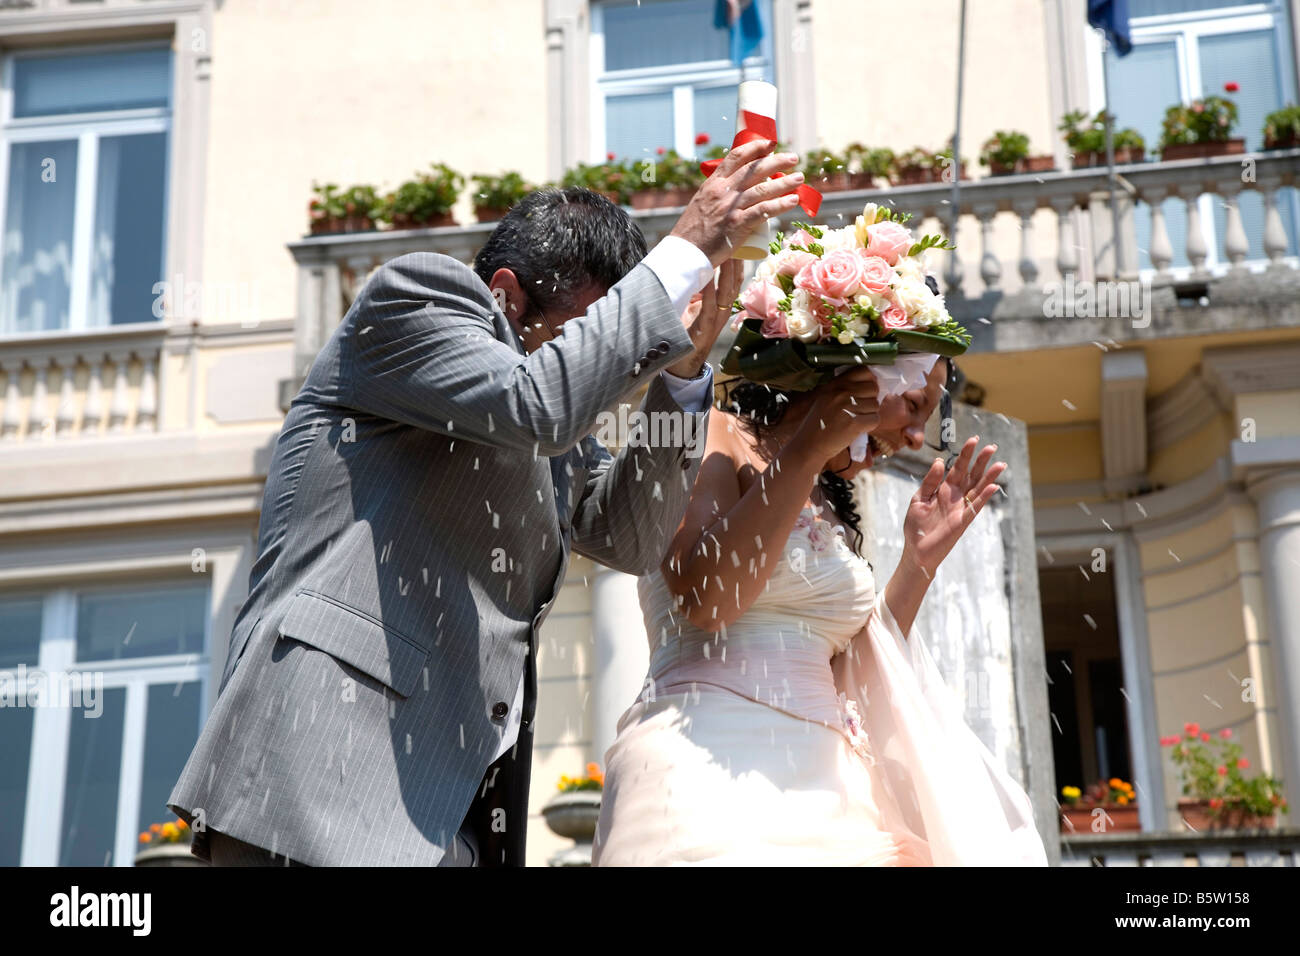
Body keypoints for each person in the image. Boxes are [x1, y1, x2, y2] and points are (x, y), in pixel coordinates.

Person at [167, 139, 808, 866]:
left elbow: (626, 538)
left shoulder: (549, 414)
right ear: (507, 293)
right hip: (316, 777)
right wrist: (687, 239)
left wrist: (685, 372)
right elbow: (539, 404)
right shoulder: (416, 297)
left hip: (450, 815)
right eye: (582, 330)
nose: (599, 361)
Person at [592, 356, 1050, 865]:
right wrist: (809, 444)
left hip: (833, 789)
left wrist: (919, 563)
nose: (919, 437)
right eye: (916, 404)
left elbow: (847, 670)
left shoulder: (829, 497)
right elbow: (708, 599)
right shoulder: (710, 432)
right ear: (854, 368)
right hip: (702, 765)